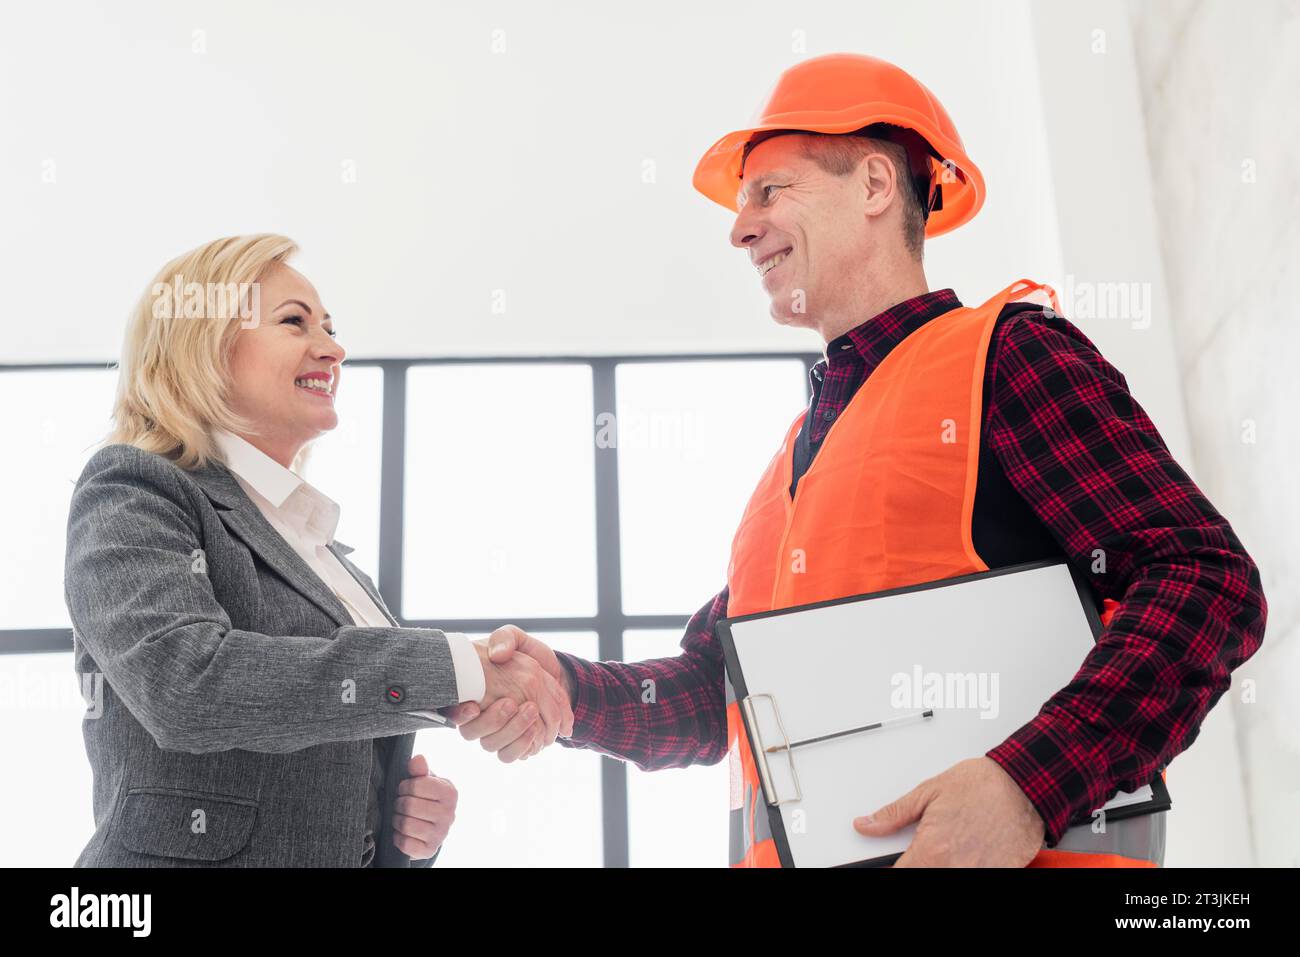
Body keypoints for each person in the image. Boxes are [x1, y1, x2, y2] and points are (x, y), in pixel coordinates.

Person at [447, 53, 1268, 867]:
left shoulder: (1005, 356)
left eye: (770, 190)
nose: (739, 227)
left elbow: (1206, 579)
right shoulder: (790, 468)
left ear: (875, 186)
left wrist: (1028, 786)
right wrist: (569, 694)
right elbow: (718, 688)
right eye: (741, 204)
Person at [65, 233, 572, 867]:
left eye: (330, 328)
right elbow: (187, 686)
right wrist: (462, 666)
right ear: (204, 347)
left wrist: (402, 835)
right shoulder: (136, 488)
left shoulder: (330, 559)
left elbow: (322, 751)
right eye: (294, 322)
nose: (333, 349)